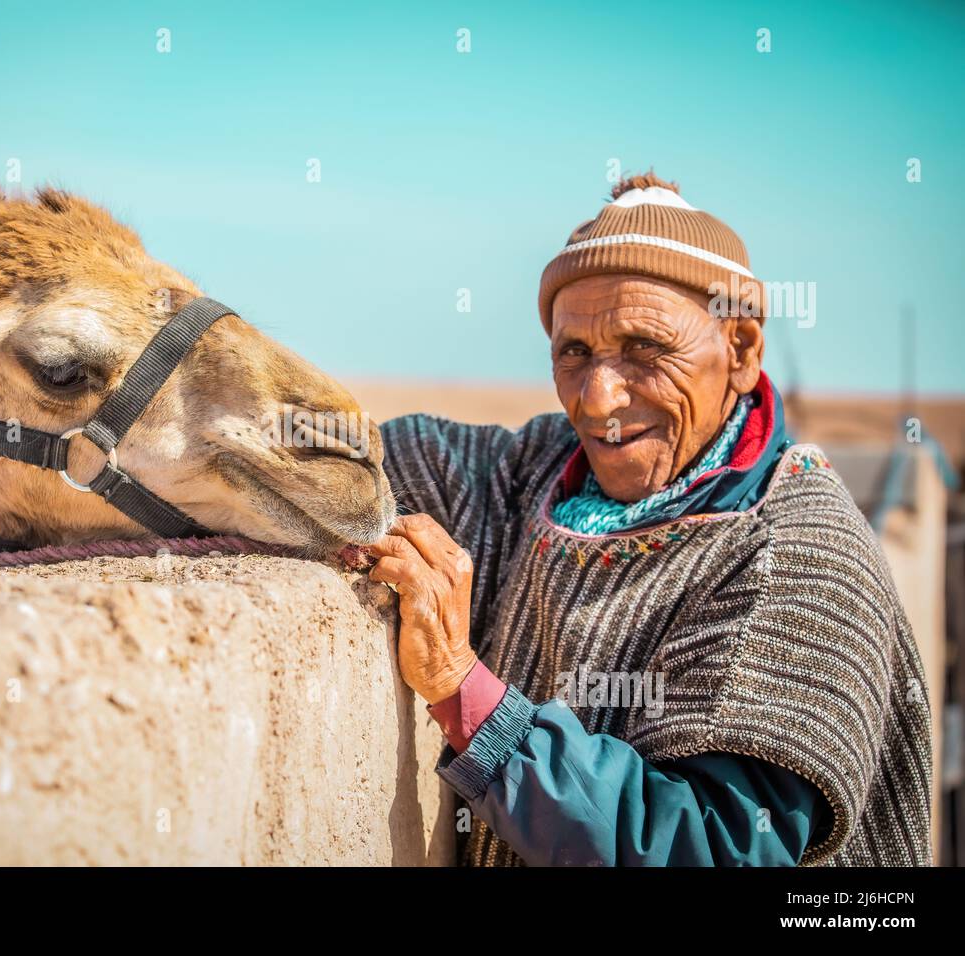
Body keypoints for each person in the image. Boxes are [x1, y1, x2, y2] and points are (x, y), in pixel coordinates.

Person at [370, 173, 932, 866]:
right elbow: (335, 469)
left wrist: (462, 687)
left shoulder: (793, 550)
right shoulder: (537, 471)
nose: (599, 401)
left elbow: (714, 848)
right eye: (574, 352)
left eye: (645, 349)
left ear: (743, 349)